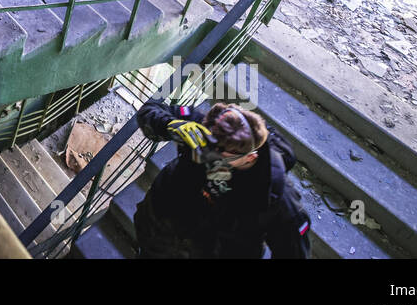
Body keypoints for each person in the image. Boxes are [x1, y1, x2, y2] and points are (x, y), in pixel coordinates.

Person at [132, 99, 311, 258]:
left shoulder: (276, 198)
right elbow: (150, 109)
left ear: (250, 158)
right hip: (158, 233)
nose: (207, 162)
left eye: (220, 159)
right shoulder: (203, 126)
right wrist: (169, 124)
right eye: (206, 150)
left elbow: (293, 252)